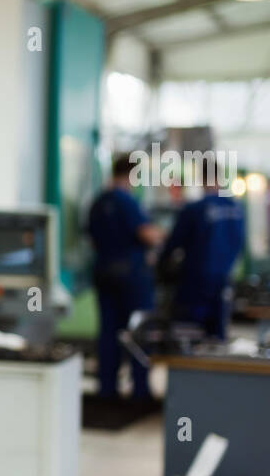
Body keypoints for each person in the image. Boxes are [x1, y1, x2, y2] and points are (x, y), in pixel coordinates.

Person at [87, 156, 162, 400]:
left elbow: (91, 238)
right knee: (139, 332)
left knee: (108, 332)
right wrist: (162, 236)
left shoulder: (97, 202)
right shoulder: (128, 202)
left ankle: (107, 389)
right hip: (132, 277)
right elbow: (148, 236)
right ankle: (140, 390)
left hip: (104, 272)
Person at [160, 180, 245, 338]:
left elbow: (173, 243)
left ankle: (189, 362)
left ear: (203, 180)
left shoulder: (195, 209)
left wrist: (161, 264)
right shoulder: (236, 208)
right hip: (224, 278)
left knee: (188, 333)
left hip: (196, 281)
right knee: (218, 332)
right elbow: (240, 242)